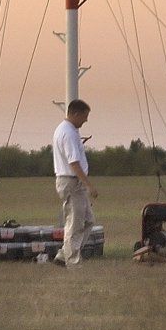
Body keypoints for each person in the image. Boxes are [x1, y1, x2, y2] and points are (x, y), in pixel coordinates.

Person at [52, 99, 96, 268]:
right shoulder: (68, 133)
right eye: (84, 117)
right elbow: (74, 163)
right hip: (71, 182)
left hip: (74, 182)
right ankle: (72, 261)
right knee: (75, 222)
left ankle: (64, 254)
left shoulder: (69, 131)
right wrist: (88, 185)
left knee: (88, 220)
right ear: (75, 114)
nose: (85, 121)